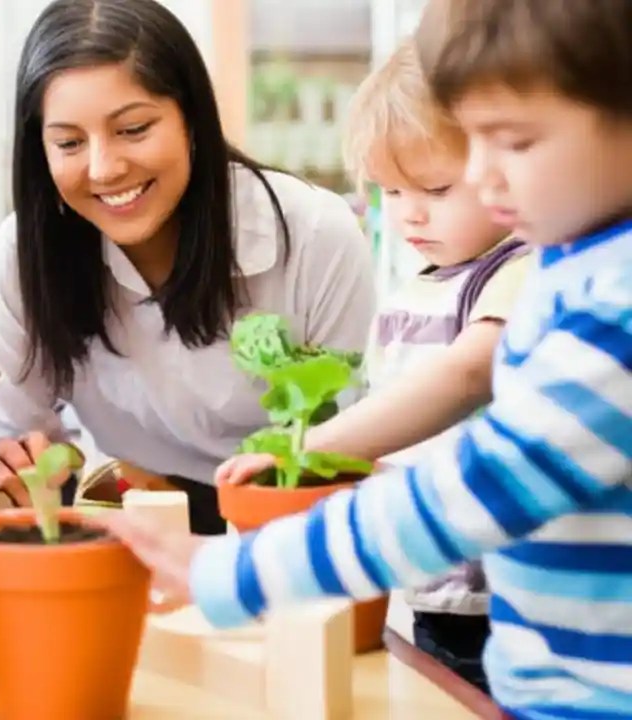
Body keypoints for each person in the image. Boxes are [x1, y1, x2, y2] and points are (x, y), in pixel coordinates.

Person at [102, 0, 632, 715]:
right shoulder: (576, 264)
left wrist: (238, 571)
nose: (486, 177)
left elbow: (475, 488)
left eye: (515, 141)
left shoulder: (611, 310)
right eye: (473, 142)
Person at [0, 0, 377, 534]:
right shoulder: (26, 253)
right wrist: (11, 460)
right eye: (68, 142)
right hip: (122, 526)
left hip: (285, 533)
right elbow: (9, 432)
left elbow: (352, 445)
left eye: (133, 129)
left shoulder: (313, 234)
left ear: (191, 119)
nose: (104, 168)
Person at [216, 41, 532, 692]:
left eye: (436, 188)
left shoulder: (519, 270)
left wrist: (311, 447)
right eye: (391, 189)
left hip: (503, 591)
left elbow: (467, 375)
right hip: (432, 583)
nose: (409, 211)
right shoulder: (418, 284)